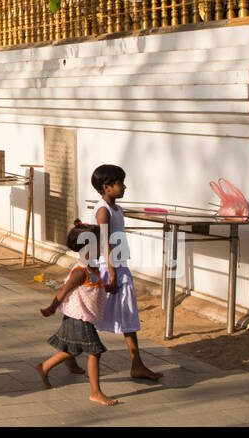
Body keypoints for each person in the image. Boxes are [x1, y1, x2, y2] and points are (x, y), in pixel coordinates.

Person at [89, 164, 162, 381]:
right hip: (108, 268)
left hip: (120, 267)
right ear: (107, 186)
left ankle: (137, 363)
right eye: (120, 183)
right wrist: (111, 273)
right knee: (88, 317)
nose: (124, 187)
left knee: (128, 316)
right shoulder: (103, 211)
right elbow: (105, 243)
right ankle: (67, 355)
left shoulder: (117, 210)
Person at [37, 220, 117, 404]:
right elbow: (63, 292)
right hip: (79, 318)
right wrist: (51, 309)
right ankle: (95, 392)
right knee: (94, 351)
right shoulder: (80, 272)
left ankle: (45, 366)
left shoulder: (93, 267)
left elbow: (91, 289)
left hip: (82, 317)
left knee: (73, 349)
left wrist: (106, 287)